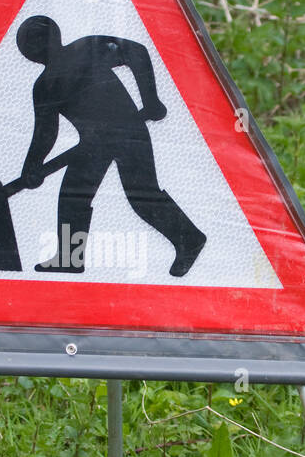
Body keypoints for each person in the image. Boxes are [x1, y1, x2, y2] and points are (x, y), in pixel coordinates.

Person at [16, 15, 206, 277]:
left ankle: (190, 239)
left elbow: (135, 52)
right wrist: (32, 165)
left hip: (128, 130)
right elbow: (46, 132)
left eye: (36, 40)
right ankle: (70, 258)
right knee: (73, 195)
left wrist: (151, 99)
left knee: (142, 195)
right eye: (28, 44)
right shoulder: (44, 86)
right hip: (92, 144)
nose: (33, 47)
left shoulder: (85, 50)